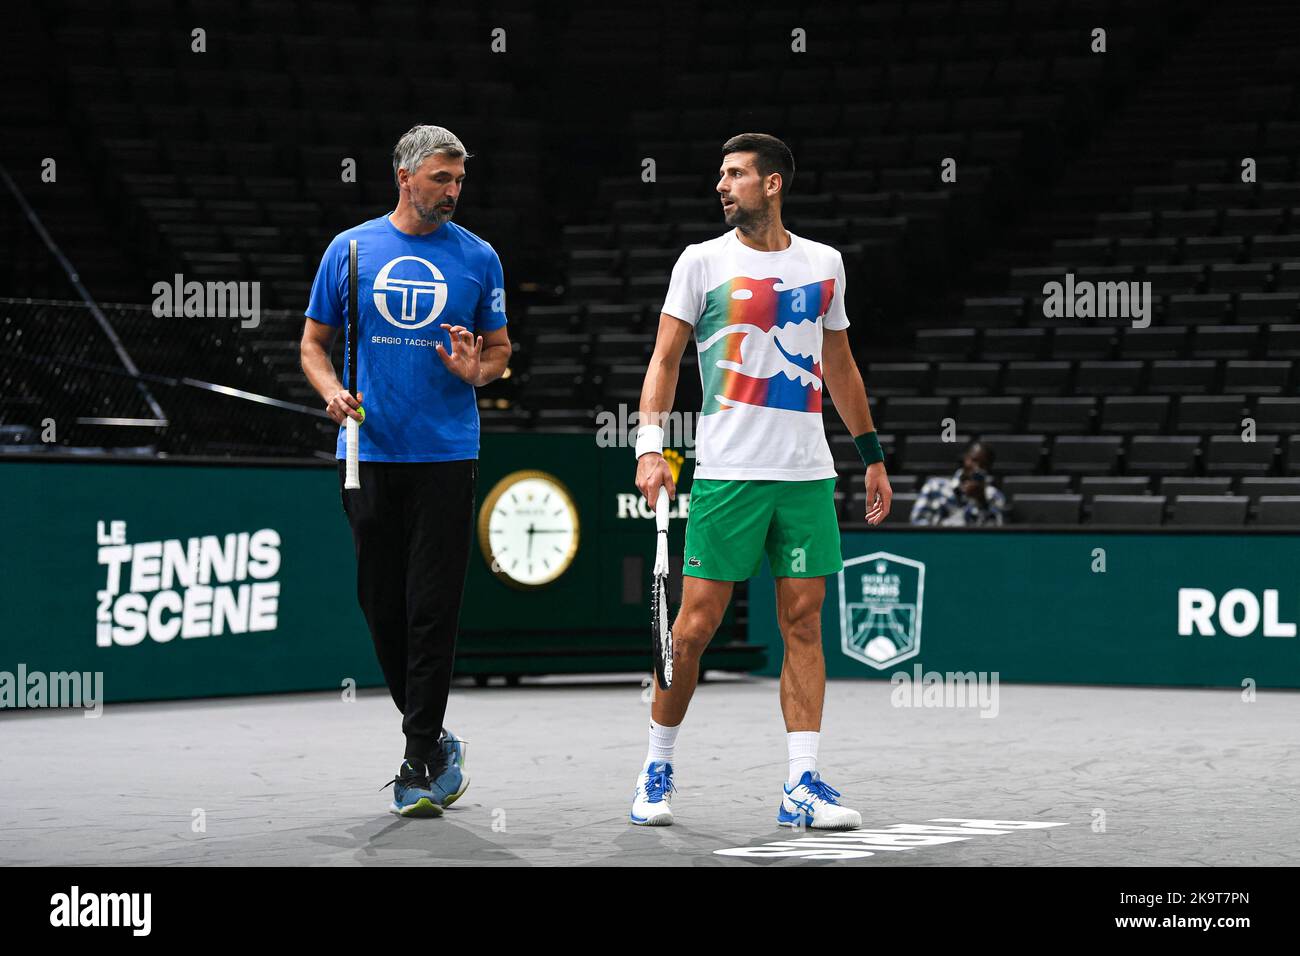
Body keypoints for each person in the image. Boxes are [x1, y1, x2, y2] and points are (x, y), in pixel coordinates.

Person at [630, 133, 892, 830]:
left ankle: (801, 784)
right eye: (721, 174)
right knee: (692, 629)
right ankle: (658, 763)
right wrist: (649, 446)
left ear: (772, 184)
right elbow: (664, 359)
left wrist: (870, 453)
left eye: (737, 174)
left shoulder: (824, 263)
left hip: (805, 476)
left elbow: (840, 365)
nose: (723, 185)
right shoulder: (701, 262)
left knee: (803, 624)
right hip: (727, 476)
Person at [300, 125, 511, 817]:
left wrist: (474, 368)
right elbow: (312, 345)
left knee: (432, 609)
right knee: (381, 605)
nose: (453, 192)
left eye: (459, 181)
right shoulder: (351, 250)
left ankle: (420, 758)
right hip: (368, 456)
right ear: (404, 176)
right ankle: (435, 733)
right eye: (441, 180)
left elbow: (500, 351)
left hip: (447, 454)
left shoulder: (479, 258)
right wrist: (329, 389)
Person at [910, 441, 1006, 527]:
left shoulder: (994, 496)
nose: (977, 468)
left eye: (983, 464)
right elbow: (917, 521)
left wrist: (982, 501)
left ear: (988, 468)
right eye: (974, 460)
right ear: (965, 459)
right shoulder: (935, 486)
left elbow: (995, 535)